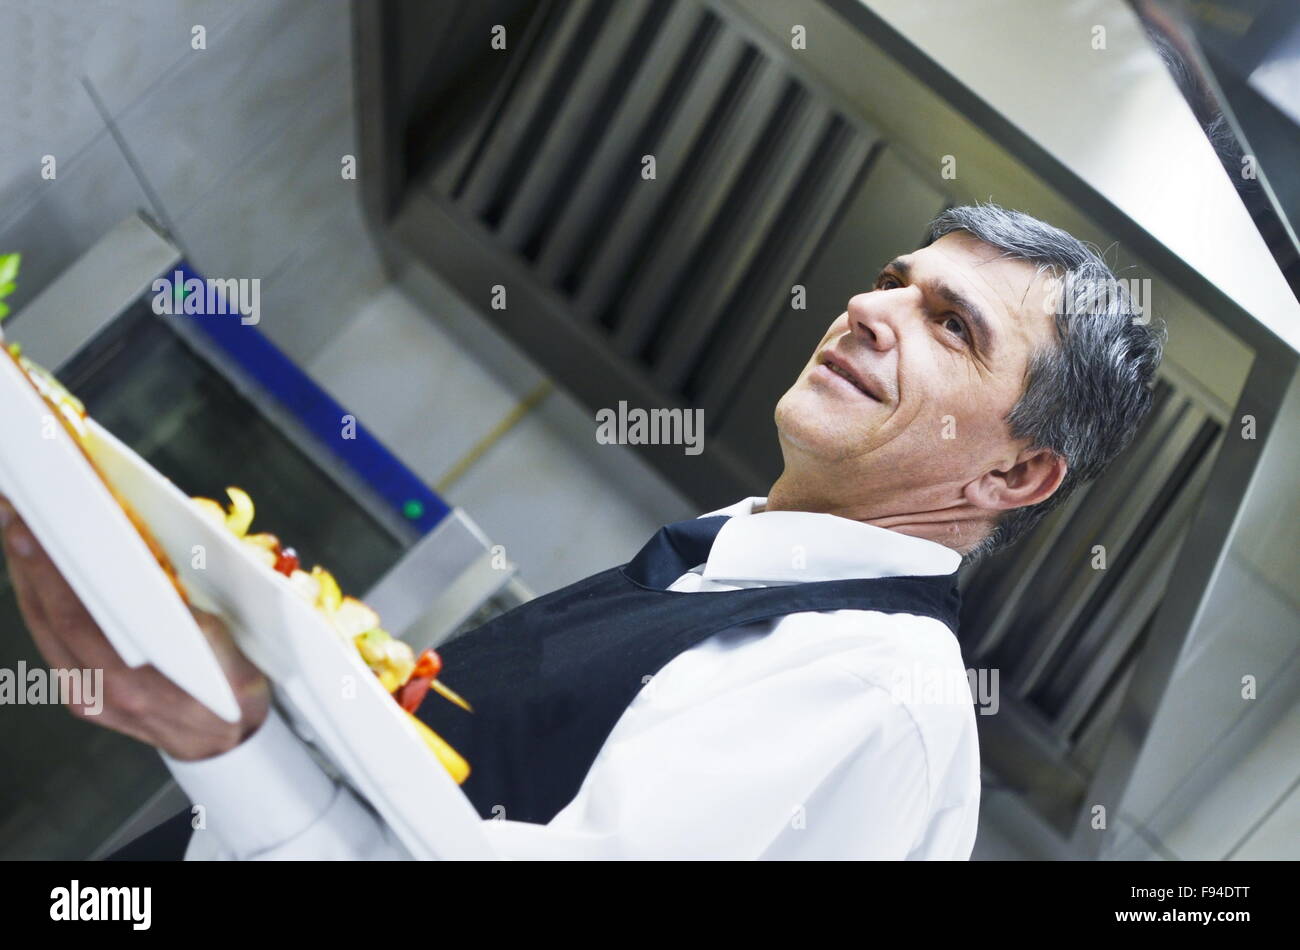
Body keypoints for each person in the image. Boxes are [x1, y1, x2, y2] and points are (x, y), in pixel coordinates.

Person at [0, 204, 1164, 859]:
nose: (871, 309)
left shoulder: (872, 703)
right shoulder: (725, 572)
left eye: (949, 324)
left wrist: (232, 743)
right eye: (896, 280)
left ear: (1016, 470)